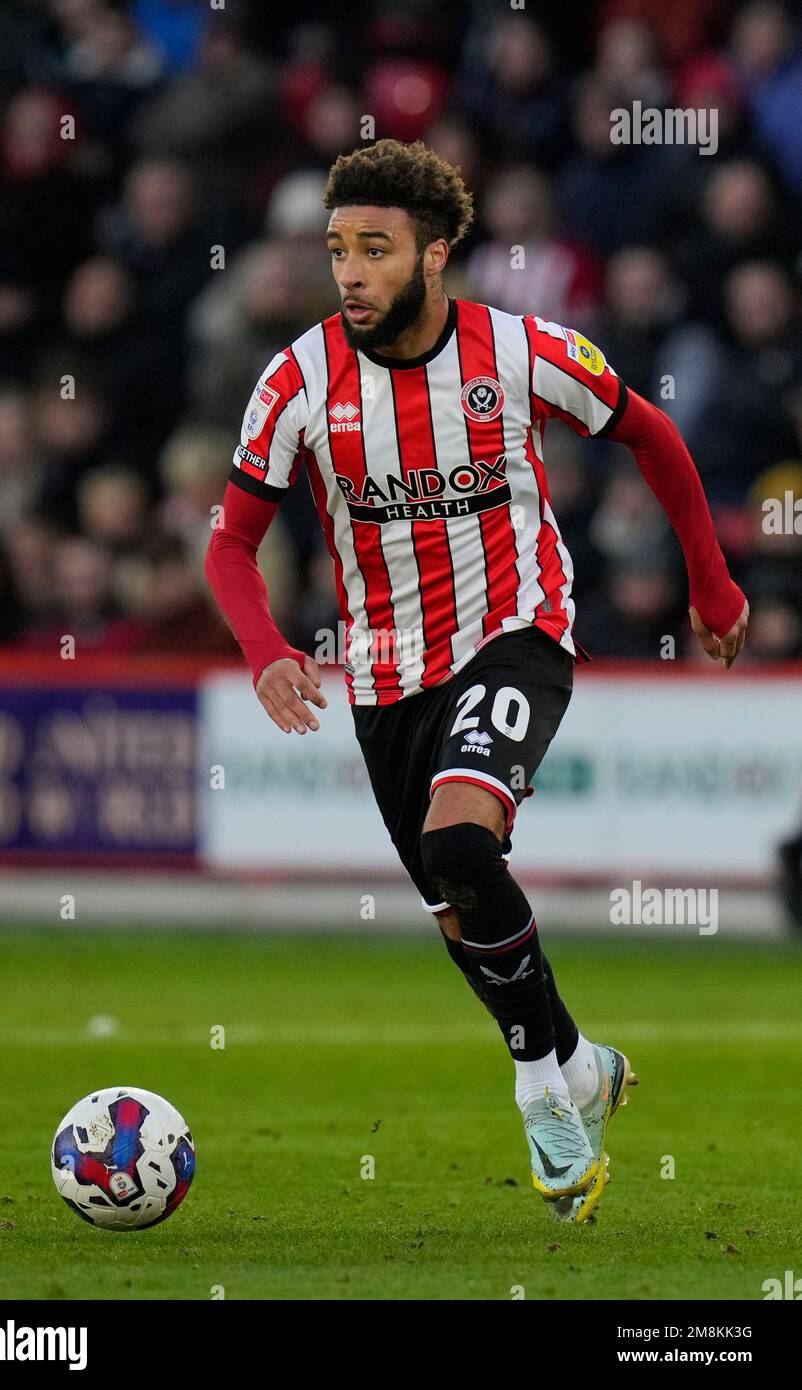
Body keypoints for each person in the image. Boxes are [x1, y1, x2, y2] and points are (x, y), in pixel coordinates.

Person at [205, 139, 749, 1224]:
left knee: (462, 844)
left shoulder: (517, 348)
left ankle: (540, 1091)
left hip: (516, 629)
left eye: (374, 248)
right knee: (459, 905)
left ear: (436, 252)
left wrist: (712, 581)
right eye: (336, 251)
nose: (349, 272)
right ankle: (580, 1061)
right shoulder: (296, 380)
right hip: (383, 670)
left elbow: (650, 432)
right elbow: (230, 542)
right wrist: (265, 648)